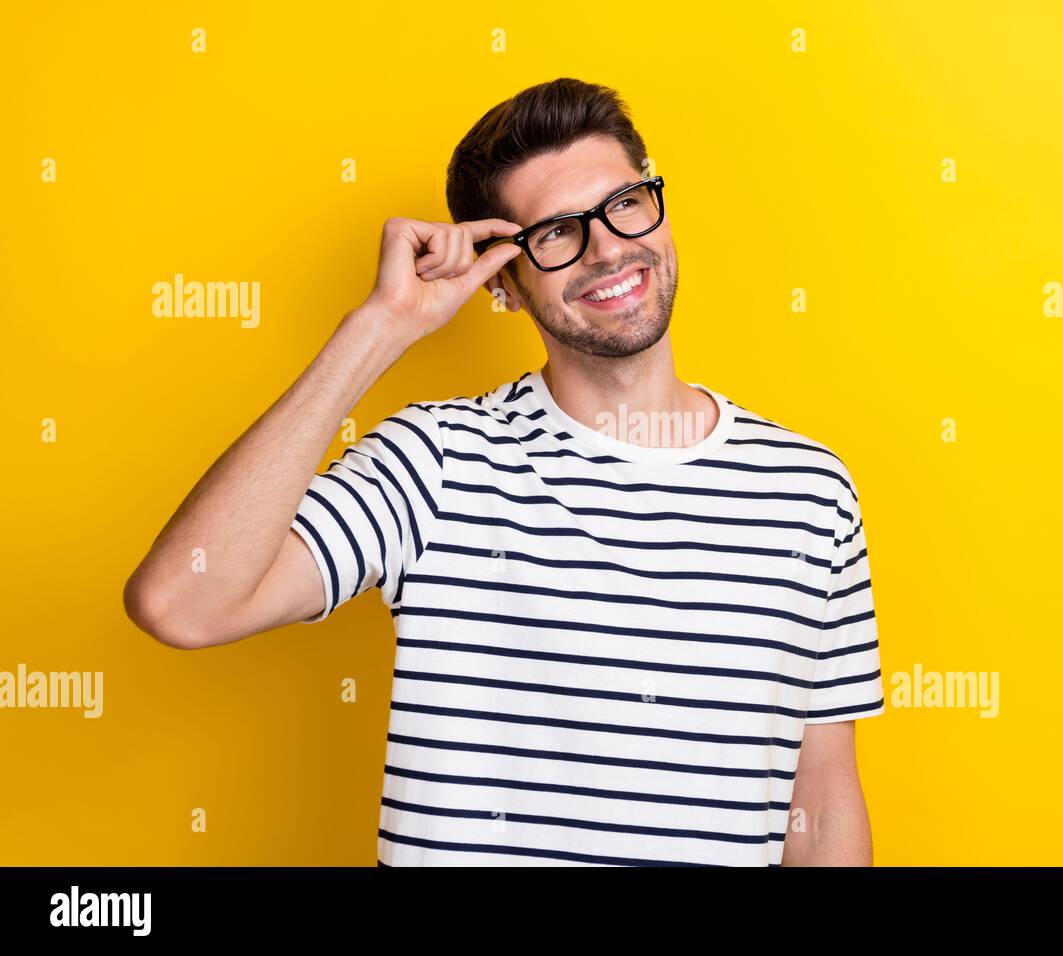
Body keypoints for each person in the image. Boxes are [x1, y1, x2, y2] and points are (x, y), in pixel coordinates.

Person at [124, 77, 884, 867]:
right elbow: (182, 604)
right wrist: (379, 328)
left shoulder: (808, 489)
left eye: (625, 202)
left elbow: (821, 795)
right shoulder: (435, 461)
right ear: (504, 285)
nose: (608, 248)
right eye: (556, 234)